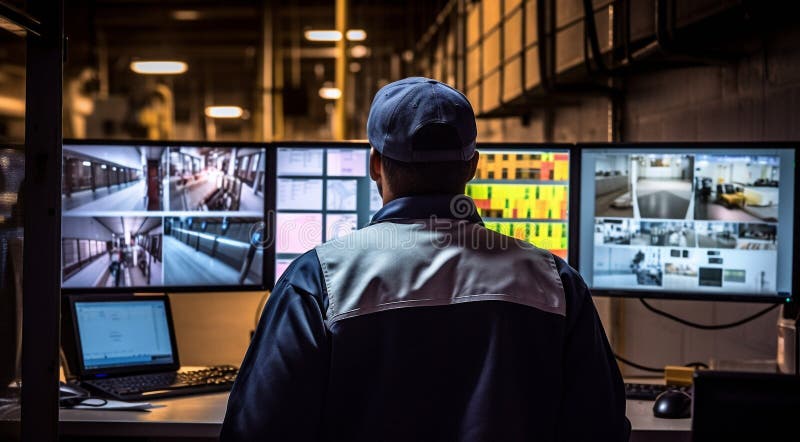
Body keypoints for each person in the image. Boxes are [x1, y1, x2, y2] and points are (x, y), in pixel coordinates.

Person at [221, 77, 629, 441]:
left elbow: (256, 430)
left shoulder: (317, 280)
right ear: (472, 164)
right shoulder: (555, 282)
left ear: (375, 165)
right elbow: (601, 428)